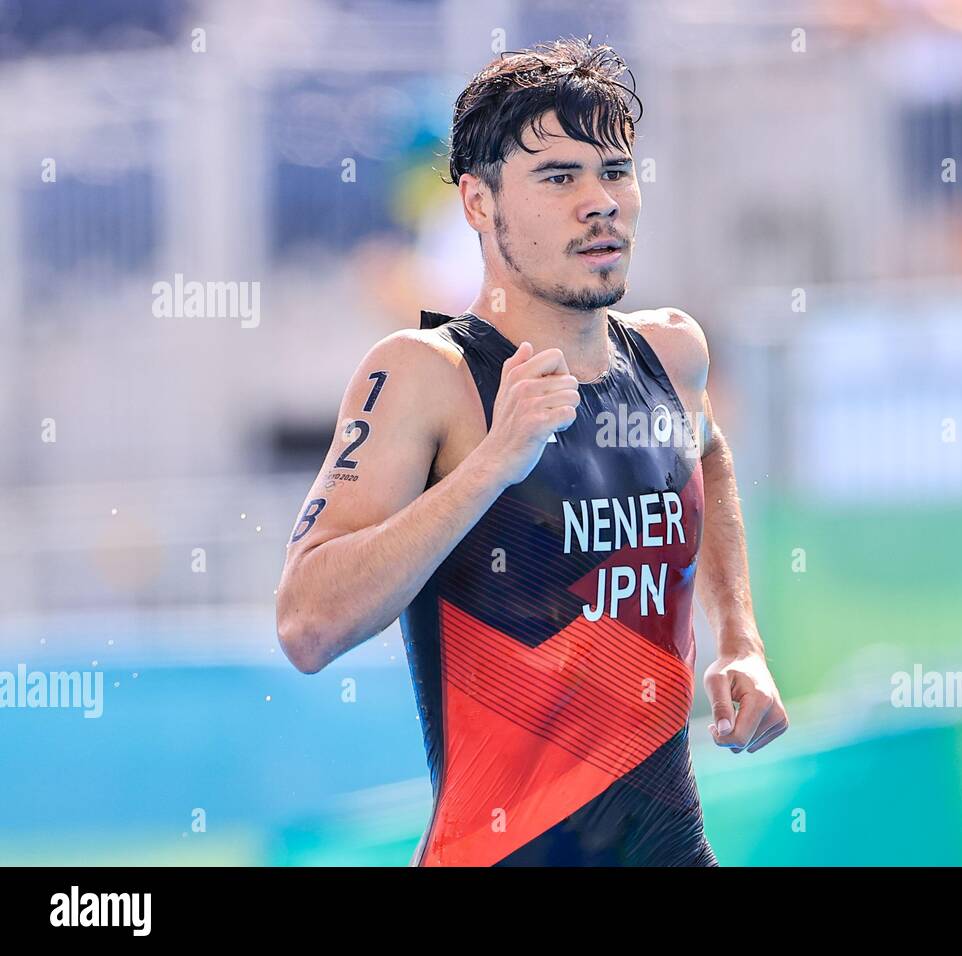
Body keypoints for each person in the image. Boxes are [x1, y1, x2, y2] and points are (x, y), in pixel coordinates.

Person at [274, 36, 788, 866]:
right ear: (477, 203)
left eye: (615, 171)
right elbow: (306, 625)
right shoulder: (426, 377)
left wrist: (741, 640)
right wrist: (489, 467)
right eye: (559, 178)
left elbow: (710, 454)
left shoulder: (672, 354)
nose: (601, 203)